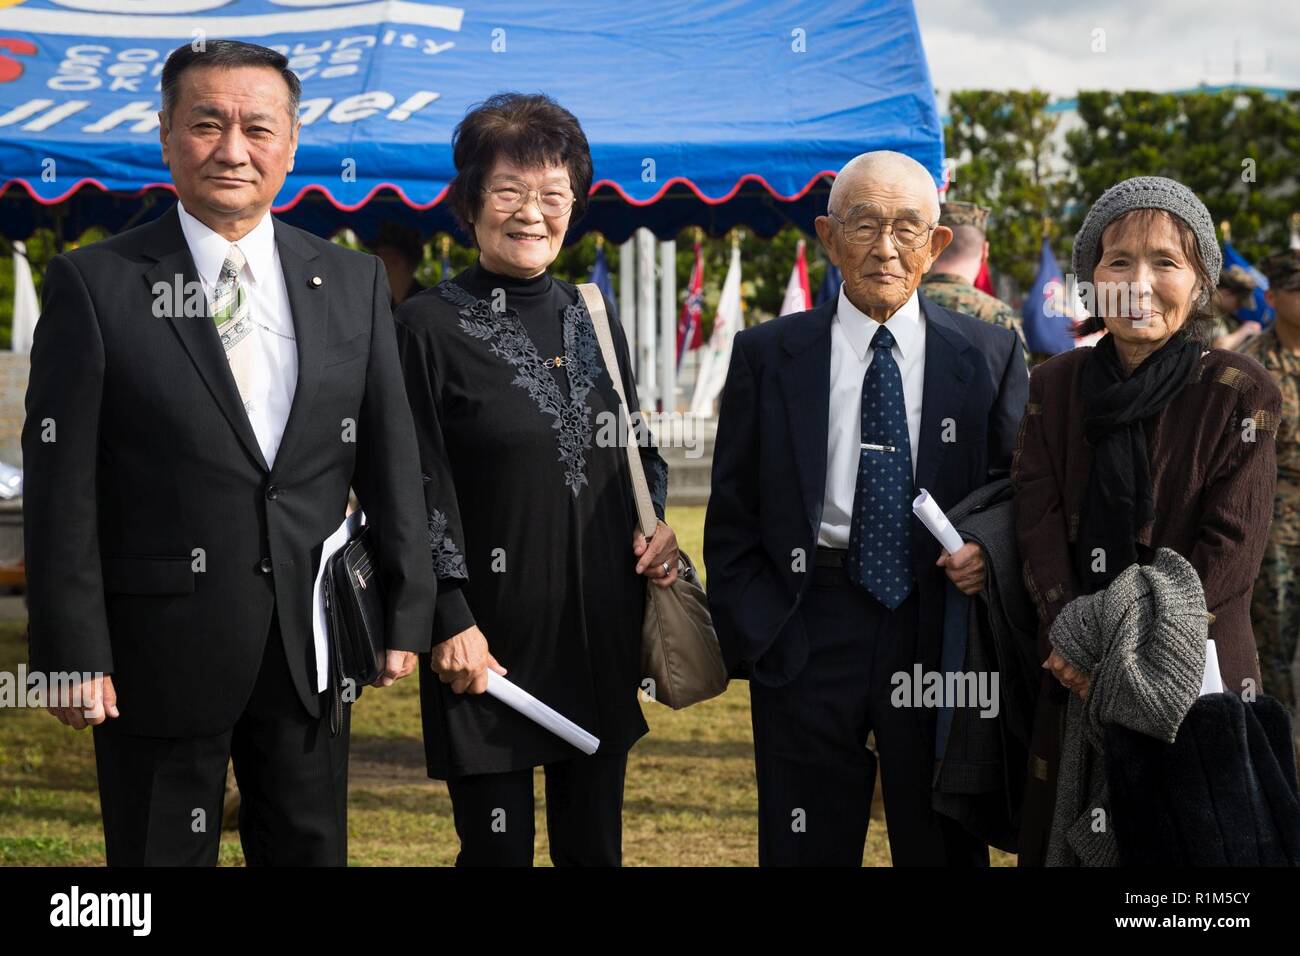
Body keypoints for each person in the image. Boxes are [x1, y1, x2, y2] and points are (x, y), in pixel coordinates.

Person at [22, 40, 436, 866]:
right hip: (156, 652)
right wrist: (71, 653)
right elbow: (61, 488)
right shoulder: (94, 284)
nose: (233, 149)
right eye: (207, 124)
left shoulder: (351, 283)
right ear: (168, 132)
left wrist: (407, 606)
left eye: (257, 127)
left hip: (310, 648)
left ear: (290, 140)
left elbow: (392, 457)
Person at [704, 151, 1028, 866]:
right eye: (864, 225)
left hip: (939, 621)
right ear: (828, 236)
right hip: (808, 620)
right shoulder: (767, 354)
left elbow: (1016, 489)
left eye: (908, 227)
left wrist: (986, 550)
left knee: (941, 843)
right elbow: (732, 512)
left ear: (937, 244)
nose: (885, 248)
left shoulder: (990, 353)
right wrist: (760, 628)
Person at [394, 92, 674, 867]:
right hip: (487, 648)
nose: (532, 213)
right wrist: (447, 618)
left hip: (597, 635)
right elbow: (411, 485)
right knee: (497, 853)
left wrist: (657, 523)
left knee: (595, 853)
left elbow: (635, 447)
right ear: (469, 203)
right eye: (509, 192)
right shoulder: (424, 326)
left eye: (553, 195)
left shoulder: (591, 313)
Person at [1012, 176, 1281, 864]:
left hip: (1198, 672)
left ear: (1199, 282)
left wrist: (1112, 644)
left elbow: (1231, 550)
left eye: (1166, 261)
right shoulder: (1054, 386)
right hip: (1070, 669)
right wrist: (1070, 632)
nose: (1139, 281)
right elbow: (1038, 525)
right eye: (1118, 260)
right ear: (1090, 277)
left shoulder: (1238, 390)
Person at [1241, 249, 1300, 756]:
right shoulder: (1256, 364)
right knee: (1275, 635)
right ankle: (1282, 749)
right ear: (1274, 296)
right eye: (1295, 289)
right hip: (1277, 517)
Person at [920, 200, 1031, 361]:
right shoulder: (997, 315)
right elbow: (1019, 381)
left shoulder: (902, 305)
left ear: (932, 245)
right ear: (985, 251)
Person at [372, 222, 428, 310]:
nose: (372, 261)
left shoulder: (425, 305)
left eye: (377, 254)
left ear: (397, 259)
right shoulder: (383, 302)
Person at [1207, 264, 1262, 351]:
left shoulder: (1214, 309)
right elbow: (1219, 347)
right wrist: (1245, 330)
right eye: (1239, 302)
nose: (1239, 307)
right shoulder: (1207, 310)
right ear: (1226, 293)